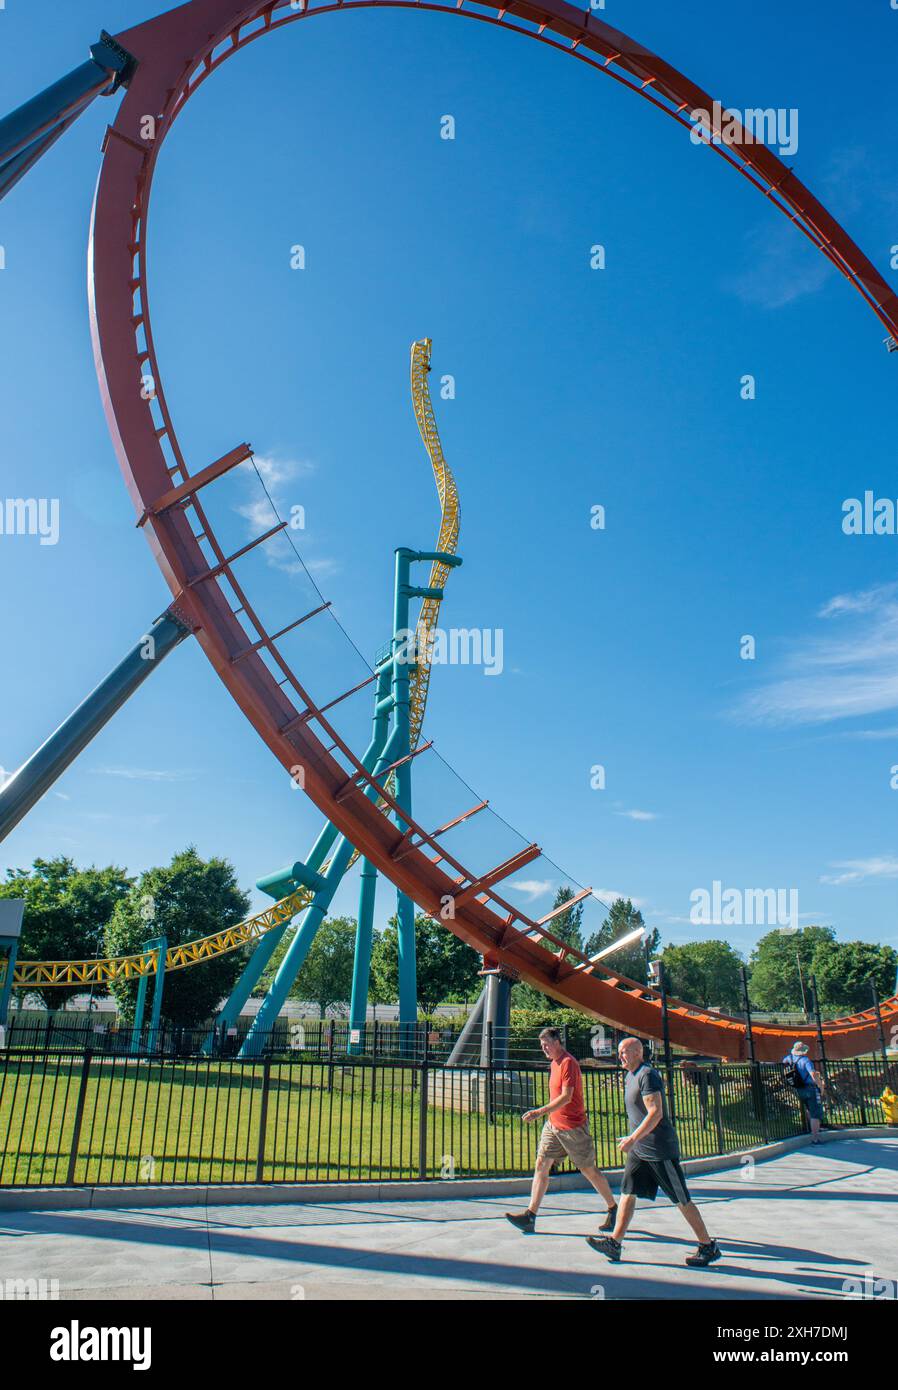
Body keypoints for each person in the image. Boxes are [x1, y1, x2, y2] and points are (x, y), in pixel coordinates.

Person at [587, 1037, 721, 1267]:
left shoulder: (647, 1075)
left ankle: (708, 1246)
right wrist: (633, 1140)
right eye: (619, 1052)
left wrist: (632, 1138)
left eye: (624, 1052)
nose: (620, 1056)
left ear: (638, 1053)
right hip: (640, 1151)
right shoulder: (630, 1076)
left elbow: (655, 1112)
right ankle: (615, 1243)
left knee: (681, 1199)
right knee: (627, 1192)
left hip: (659, 1150)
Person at [506, 1027, 617, 1235]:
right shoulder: (554, 1063)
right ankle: (530, 1215)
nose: (544, 1049)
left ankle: (613, 1207)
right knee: (542, 1163)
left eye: (547, 1044)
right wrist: (547, 1116)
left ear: (558, 1042)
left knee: (588, 1170)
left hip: (573, 1128)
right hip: (554, 1125)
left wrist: (539, 1111)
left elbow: (566, 1097)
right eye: (542, 1046)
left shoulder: (568, 1063)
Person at [783, 1040, 826, 1143]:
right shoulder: (806, 1061)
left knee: (808, 1109)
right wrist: (820, 1086)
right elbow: (813, 1074)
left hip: (799, 1088)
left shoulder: (789, 1058)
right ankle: (815, 1138)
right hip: (810, 1088)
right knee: (815, 1112)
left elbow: (784, 1062)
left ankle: (810, 1129)